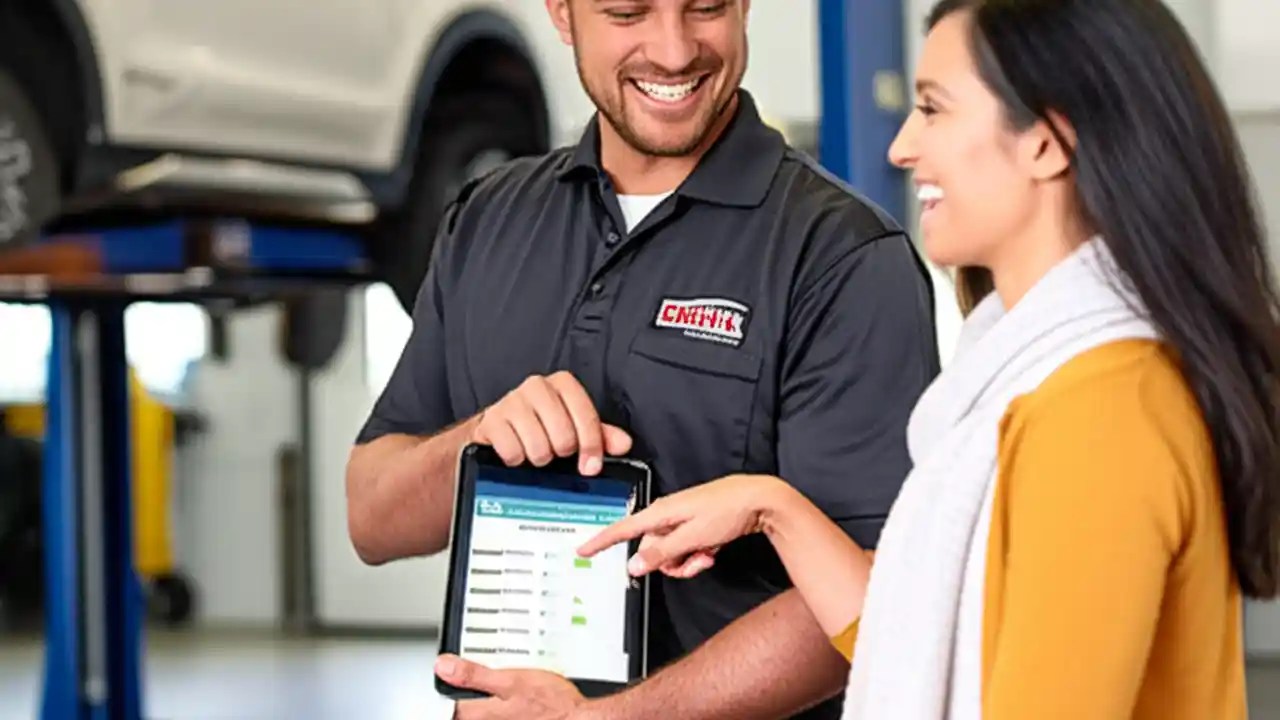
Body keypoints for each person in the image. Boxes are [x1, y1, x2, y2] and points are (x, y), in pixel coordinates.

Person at [563, 0, 1280, 718]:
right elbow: (915, 639)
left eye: (934, 110)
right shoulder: (1049, 378)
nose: (903, 147)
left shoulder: (1096, 414)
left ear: (1046, 141)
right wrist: (768, 506)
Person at [347, 0, 938, 718]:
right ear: (562, 14)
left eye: (706, 8)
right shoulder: (487, 221)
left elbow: (871, 597)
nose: (673, 49)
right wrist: (475, 443)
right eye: (628, 13)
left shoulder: (841, 256)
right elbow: (372, 518)